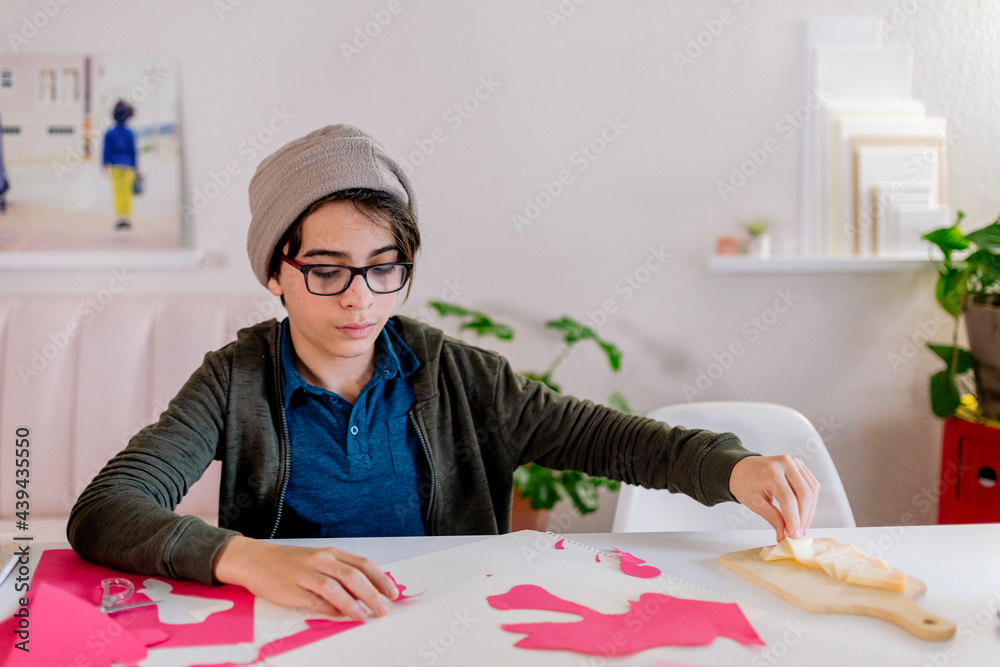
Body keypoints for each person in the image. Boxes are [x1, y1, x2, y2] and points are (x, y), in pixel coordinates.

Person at [69, 124, 819, 623]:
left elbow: (609, 438)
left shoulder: (459, 376)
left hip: (444, 623)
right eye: (327, 271)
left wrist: (733, 465)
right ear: (276, 271)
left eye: (384, 268)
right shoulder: (235, 381)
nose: (361, 298)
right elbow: (107, 507)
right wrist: (245, 556)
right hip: (293, 628)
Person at [102, 100, 138, 230]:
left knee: (118, 192)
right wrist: (136, 168)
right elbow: (134, 152)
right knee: (127, 192)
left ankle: (120, 217)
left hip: (115, 165)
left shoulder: (110, 133)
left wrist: (104, 165)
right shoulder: (130, 133)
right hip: (128, 165)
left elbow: (106, 150)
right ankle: (127, 218)